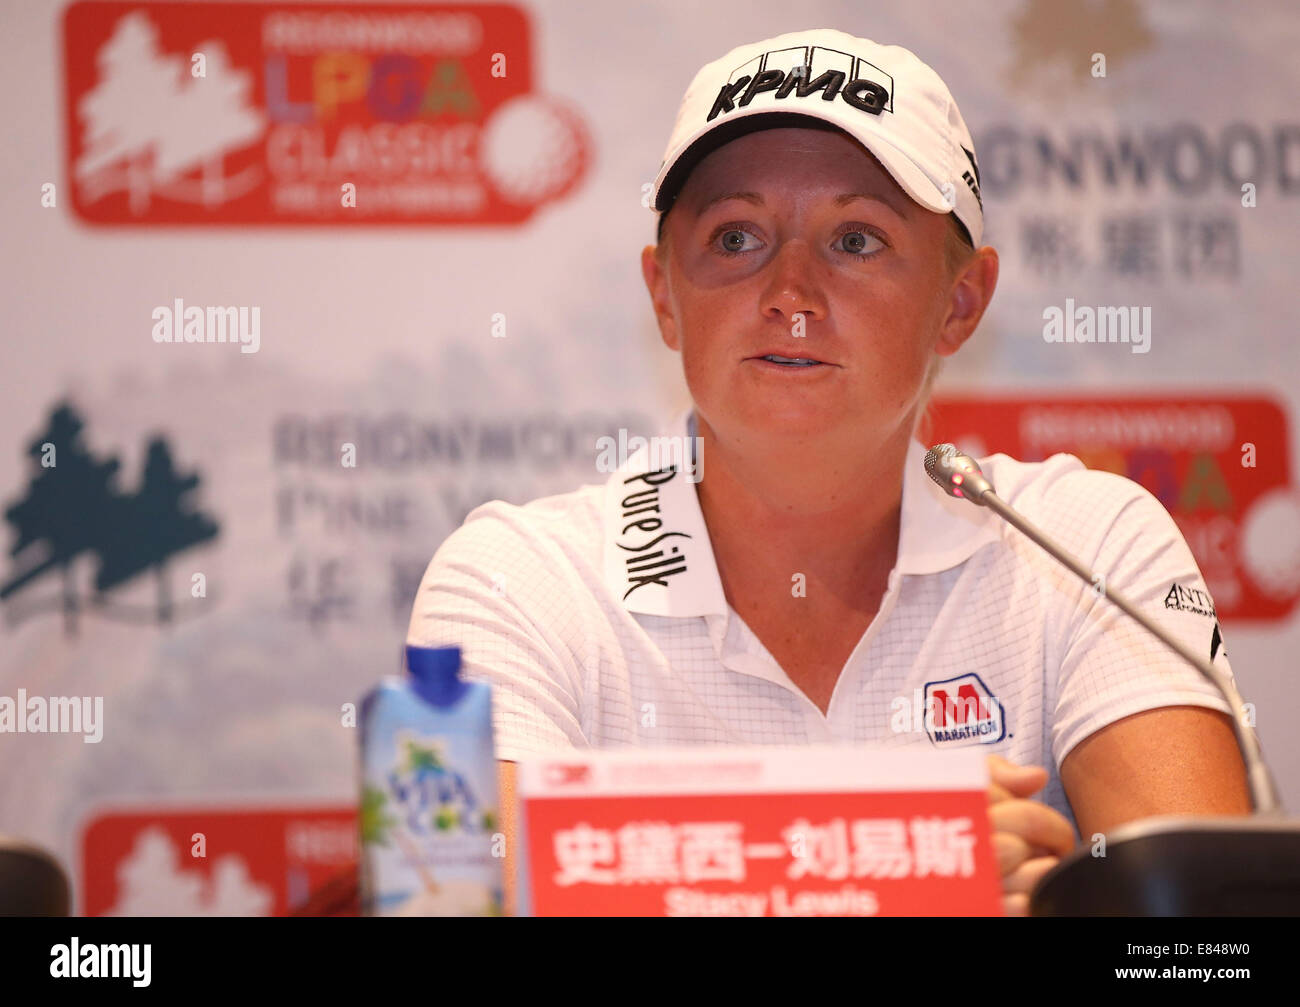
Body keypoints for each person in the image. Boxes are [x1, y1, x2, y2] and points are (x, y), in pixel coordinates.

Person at [407, 28, 1251, 916]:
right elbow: (456, 905)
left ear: (959, 302)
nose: (791, 294)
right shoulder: (518, 582)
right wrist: (906, 866)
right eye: (736, 237)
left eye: (856, 240)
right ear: (664, 294)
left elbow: (1199, 952)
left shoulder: (1085, 547)